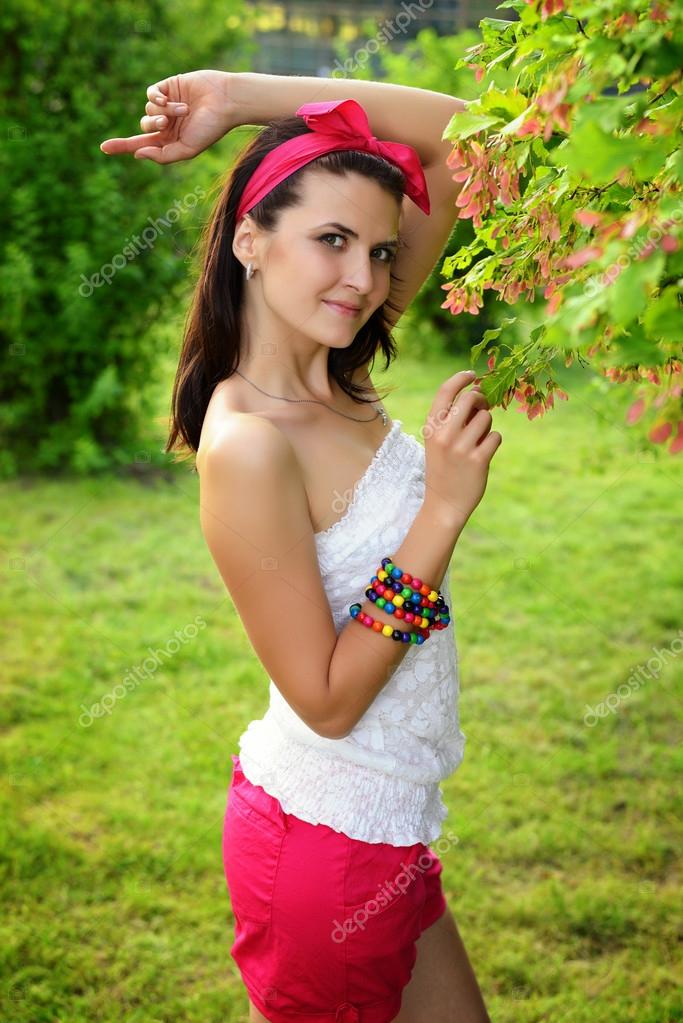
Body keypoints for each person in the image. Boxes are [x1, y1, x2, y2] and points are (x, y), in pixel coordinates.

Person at [101, 71, 501, 1023]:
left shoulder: (344, 358)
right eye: (330, 241)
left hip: (385, 826)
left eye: (377, 248)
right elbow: (325, 700)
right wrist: (439, 512)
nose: (362, 278)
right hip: (327, 849)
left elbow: (470, 138)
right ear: (250, 239)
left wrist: (241, 99)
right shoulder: (248, 444)